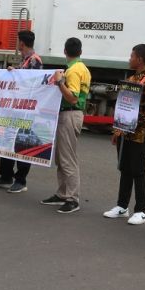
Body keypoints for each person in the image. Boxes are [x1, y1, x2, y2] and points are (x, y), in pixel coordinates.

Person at [103, 44, 145, 226]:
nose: (129, 59)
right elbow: (123, 108)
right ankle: (122, 206)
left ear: (140, 59)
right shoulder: (131, 79)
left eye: (132, 56)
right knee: (125, 170)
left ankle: (141, 211)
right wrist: (118, 130)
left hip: (139, 136)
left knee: (138, 172)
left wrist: (130, 124)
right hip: (125, 135)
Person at [40, 37, 91, 214]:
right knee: (62, 157)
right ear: (80, 51)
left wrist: (60, 82)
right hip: (70, 114)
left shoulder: (74, 71)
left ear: (64, 51)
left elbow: (73, 97)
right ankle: (62, 193)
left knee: (67, 158)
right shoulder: (80, 67)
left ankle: (72, 198)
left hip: (70, 113)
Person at [0, 30, 43, 193]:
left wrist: (16, 74)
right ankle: (6, 175)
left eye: (18, 41)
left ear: (22, 43)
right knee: (7, 140)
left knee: (22, 143)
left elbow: (32, 84)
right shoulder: (25, 60)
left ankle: (21, 179)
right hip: (14, 109)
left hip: (25, 110)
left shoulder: (34, 60)